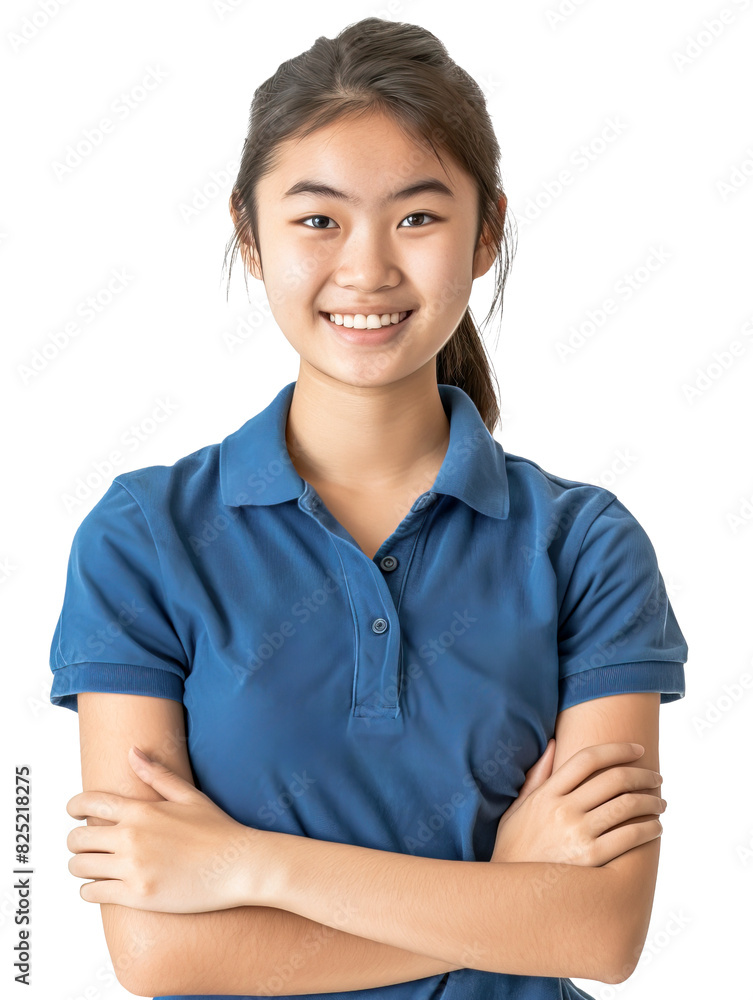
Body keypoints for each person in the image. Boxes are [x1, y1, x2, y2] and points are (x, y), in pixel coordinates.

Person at [49, 17, 688, 1000]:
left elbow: (600, 933)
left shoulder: (585, 546)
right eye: (318, 220)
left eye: (417, 217)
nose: (367, 269)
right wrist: (508, 899)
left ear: (486, 233)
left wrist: (244, 865)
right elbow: (160, 954)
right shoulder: (145, 537)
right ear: (249, 234)